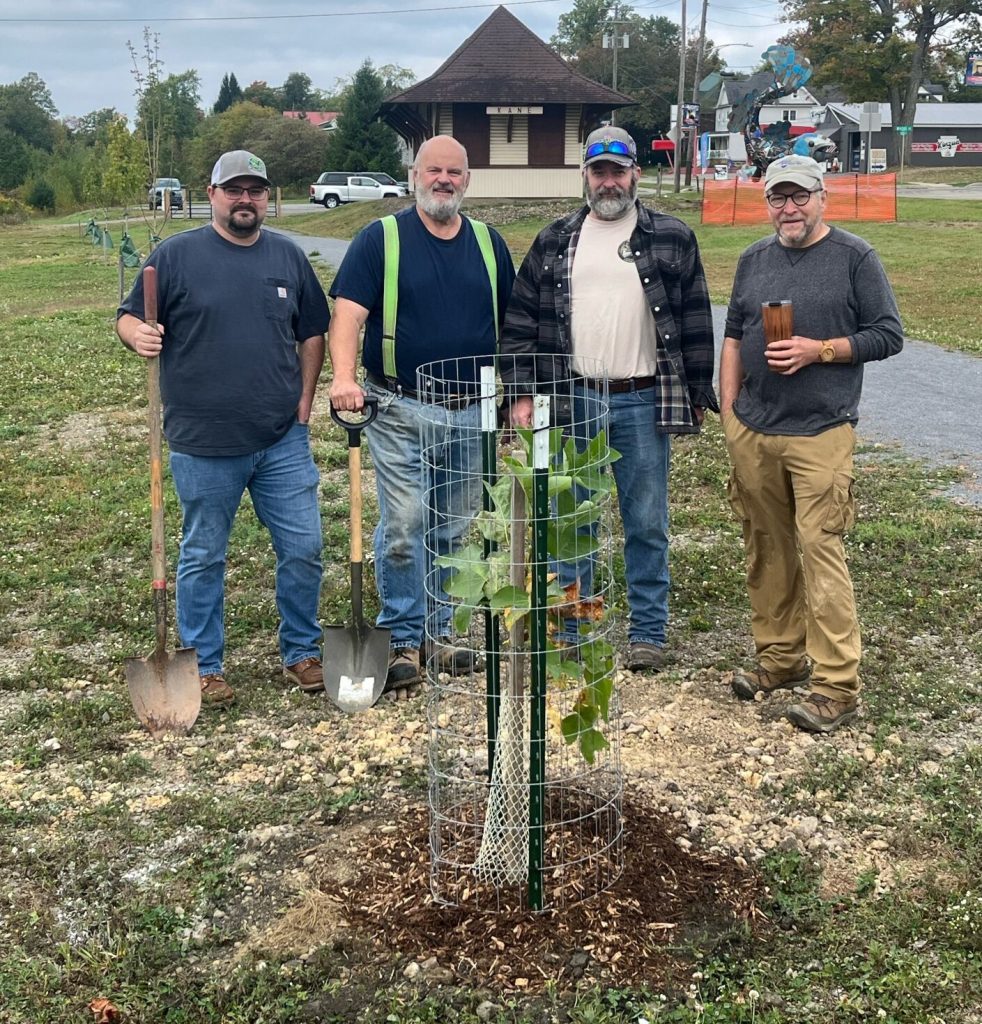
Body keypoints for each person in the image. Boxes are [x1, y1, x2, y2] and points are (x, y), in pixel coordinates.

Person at [500, 126, 717, 672]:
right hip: (572, 398)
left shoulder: (672, 236)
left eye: (619, 171)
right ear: (585, 176)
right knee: (574, 522)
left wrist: (695, 391)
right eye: (599, 171)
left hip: (642, 400)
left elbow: (695, 319)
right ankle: (575, 627)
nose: (609, 181)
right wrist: (520, 394)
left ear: (635, 174)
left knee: (645, 521)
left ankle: (648, 630)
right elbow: (521, 320)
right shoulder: (554, 239)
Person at [117, 150, 330, 707]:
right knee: (204, 554)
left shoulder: (287, 256)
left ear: (266, 198)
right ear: (209, 194)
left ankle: (302, 651)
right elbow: (129, 315)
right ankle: (204, 665)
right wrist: (136, 334)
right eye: (233, 189)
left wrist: (304, 404)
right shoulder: (175, 256)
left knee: (305, 546)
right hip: (203, 441)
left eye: (255, 190)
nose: (245, 199)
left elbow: (312, 332)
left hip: (281, 436)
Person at [721, 154, 903, 733]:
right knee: (766, 549)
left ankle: (836, 686)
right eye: (778, 197)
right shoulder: (754, 259)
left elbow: (888, 334)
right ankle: (779, 659)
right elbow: (732, 336)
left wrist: (817, 350)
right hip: (755, 429)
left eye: (799, 196)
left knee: (821, 553)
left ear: (822, 197)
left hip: (821, 432)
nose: (789, 208)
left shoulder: (854, 257)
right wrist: (730, 414)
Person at [328, 135, 515, 691]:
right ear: (414, 175)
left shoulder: (489, 244)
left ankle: (441, 632)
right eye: (433, 170)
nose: (443, 181)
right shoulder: (379, 240)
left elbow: (514, 322)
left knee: (456, 527)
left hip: (470, 411)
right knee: (406, 525)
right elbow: (346, 317)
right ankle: (403, 635)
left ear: (467, 180)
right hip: (397, 407)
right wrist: (341, 380)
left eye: (454, 172)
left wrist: (516, 396)